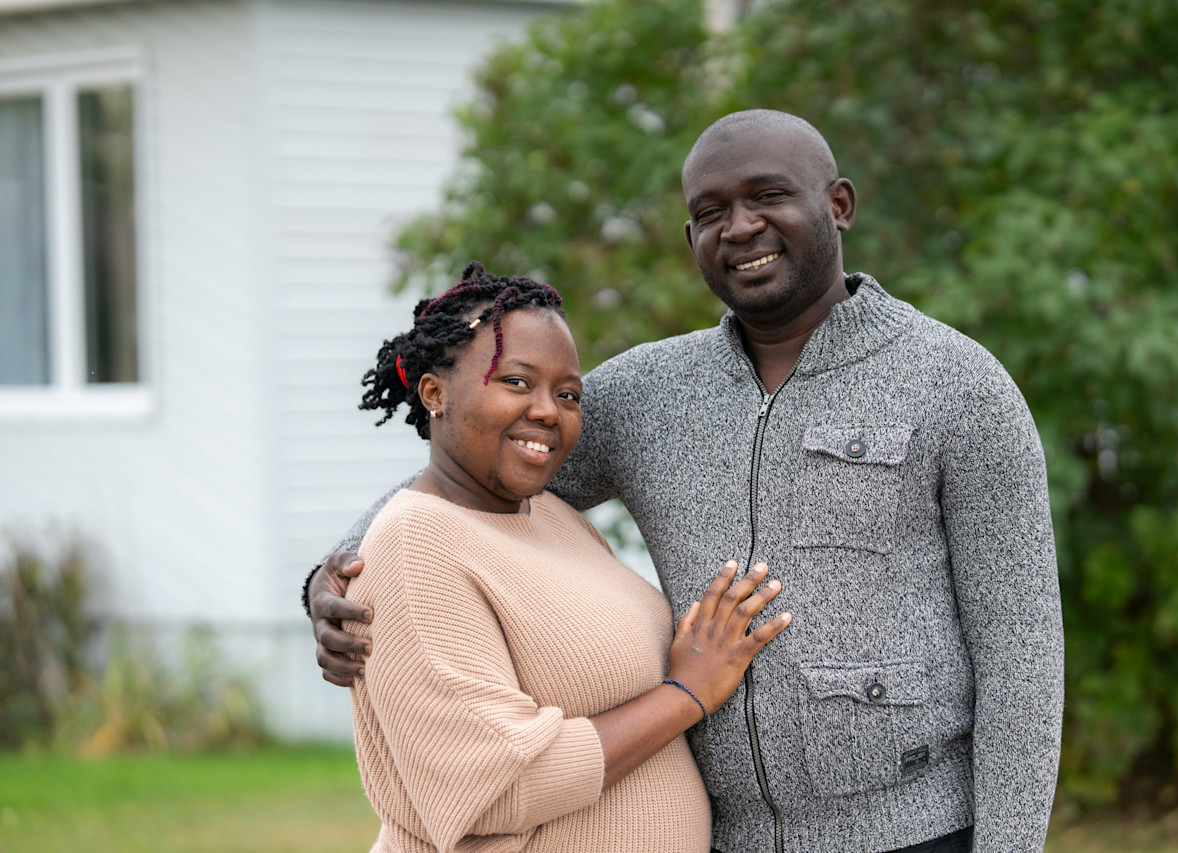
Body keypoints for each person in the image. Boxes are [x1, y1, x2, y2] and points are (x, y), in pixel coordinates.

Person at [308, 110, 1064, 853]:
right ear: (691, 239)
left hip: (918, 831)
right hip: (723, 838)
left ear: (839, 204)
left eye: (767, 196)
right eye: (710, 212)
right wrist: (334, 570)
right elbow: (470, 477)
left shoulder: (958, 384)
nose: (739, 227)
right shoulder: (648, 392)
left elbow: (1021, 653)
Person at [337, 262, 791, 853]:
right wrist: (687, 693)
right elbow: (491, 788)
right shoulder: (414, 542)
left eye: (568, 393)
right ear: (434, 393)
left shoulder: (549, 515)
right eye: (517, 382)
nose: (549, 411)